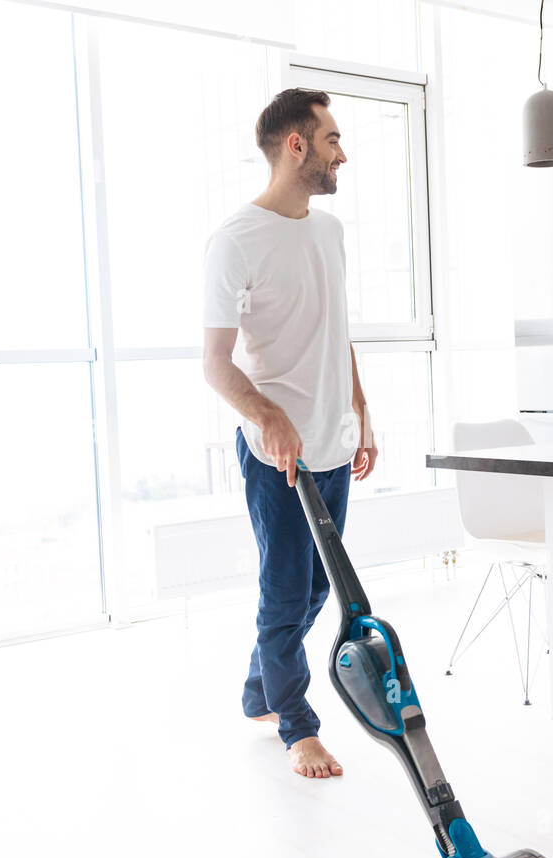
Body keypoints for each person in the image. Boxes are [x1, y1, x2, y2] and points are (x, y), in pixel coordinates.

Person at [202, 88, 378, 779]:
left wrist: (362, 413)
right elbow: (215, 364)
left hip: (334, 441)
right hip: (278, 455)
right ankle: (297, 727)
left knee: (313, 593)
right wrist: (268, 415)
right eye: (333, 138)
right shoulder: (234, 241)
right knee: (285, 592)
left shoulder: (329, 232)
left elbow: (340, 336)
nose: (344, 152)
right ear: (296, 145)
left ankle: (259, 689)